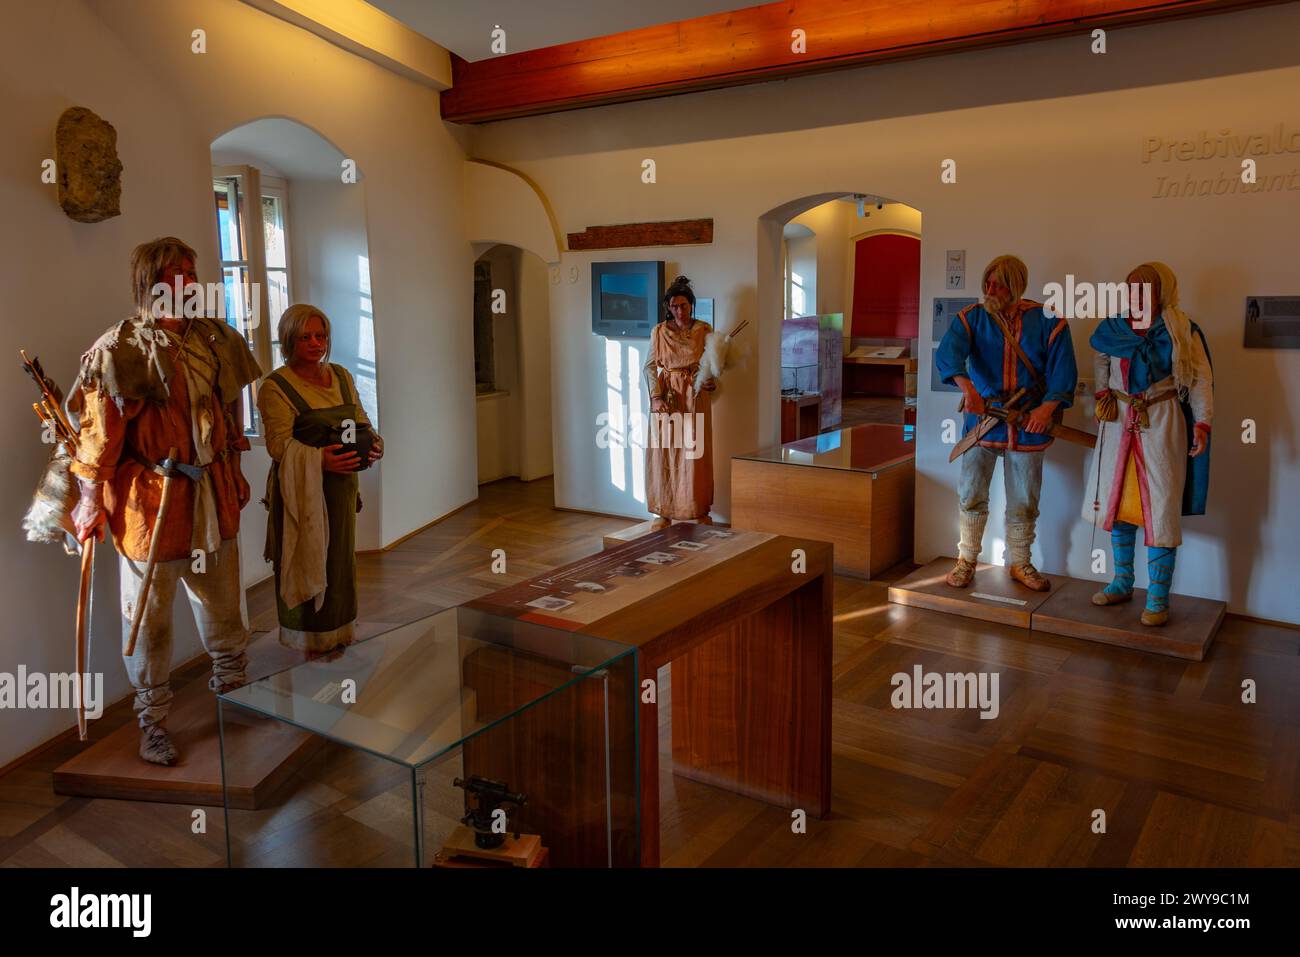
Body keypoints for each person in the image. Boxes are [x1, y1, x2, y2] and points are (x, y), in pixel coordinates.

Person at [69, 237, 261, 765]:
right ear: (149, 281)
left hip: (212, 495)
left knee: (223, 602)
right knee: (149, 621)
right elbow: (99, 437)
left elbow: (229, 415)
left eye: (189, 271)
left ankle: (233, 687)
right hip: (150, 507)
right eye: (173, 273)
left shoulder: (216, 340)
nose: (186, 281)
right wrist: (89, 500)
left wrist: (236, 470)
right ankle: (152, 720)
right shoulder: (122, 348)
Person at [935, 254, 1078, 591]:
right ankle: (967, 560)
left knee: (1025, 498)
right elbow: (949, 354)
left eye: (998, 282)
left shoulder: (1048, 319)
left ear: (1016, 286)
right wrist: (968, 388)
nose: (990, 288)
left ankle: (1020, 562)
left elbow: (1063, 371)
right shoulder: (971, 319)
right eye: (987, 281)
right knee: (971, 493)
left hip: (1029, 422)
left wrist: (1047, 409)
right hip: (982, 422)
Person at [1084, 262, 1212, 626]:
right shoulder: (1113, 328)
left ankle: (1157, 598)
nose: (1136, 295)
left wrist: (1202, 424)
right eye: (1131, 287)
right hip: (1120, 422)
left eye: (1144, 288)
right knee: (1119, 506)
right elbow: (1102, 357)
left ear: (1161, 293)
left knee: (1160, 509)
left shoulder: (1182, 330)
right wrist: (1103, 394)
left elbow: (1201, 380)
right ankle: (1122, 581)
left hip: (1161, 421)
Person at [257, 305, 383, 652]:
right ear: (289, 341)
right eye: (305, 337)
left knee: (339, 560)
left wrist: (374, 444)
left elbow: (361, 420)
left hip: (340, 490)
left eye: (321, 335)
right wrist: (320, 460)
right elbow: (279, 445)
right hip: (302, 491)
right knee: (304, 555)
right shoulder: (275, 387)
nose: (316, 343)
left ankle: (340, 633)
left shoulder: (340, 376)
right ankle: (307, 641)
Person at [642, 276, 716, 529]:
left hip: (694, 396)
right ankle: (664, 511)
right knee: (664, 453)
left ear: (691, 305)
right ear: (668, 308)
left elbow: (713, 364)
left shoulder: (704, 330)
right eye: (674, 306)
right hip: (667, 396)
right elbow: (650, 367)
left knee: (695, 454)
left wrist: (709, 381)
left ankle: (697, 509)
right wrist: (655, 397)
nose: (679, 311)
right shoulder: (659, 331)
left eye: (683, 305)